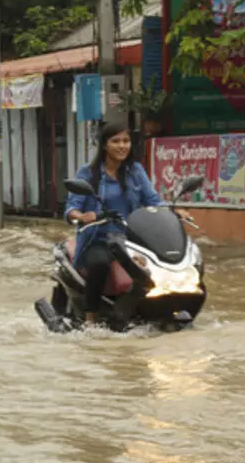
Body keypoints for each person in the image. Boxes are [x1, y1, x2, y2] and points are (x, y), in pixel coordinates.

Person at [64, 124, 177, 325]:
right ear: (104, 145)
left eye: (125, 141)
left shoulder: (135, 170)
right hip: (98, 238)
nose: (122, 146)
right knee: (99, 264)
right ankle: (91, 316)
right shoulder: (88, 173)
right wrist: (82, 216)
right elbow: (72, 207)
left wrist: (173, 212)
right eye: (115, 141)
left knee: (158, 265)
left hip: (130, 239)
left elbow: (152, 200)